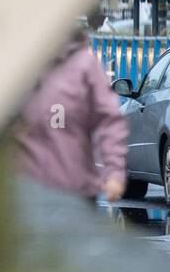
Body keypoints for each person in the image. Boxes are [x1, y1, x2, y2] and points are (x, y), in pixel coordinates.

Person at [16, 24, 127, 201]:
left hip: (75, 191)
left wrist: (114, 172)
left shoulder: (85, 66)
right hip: (26, 193)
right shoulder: (15, 63)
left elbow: (109, 120)